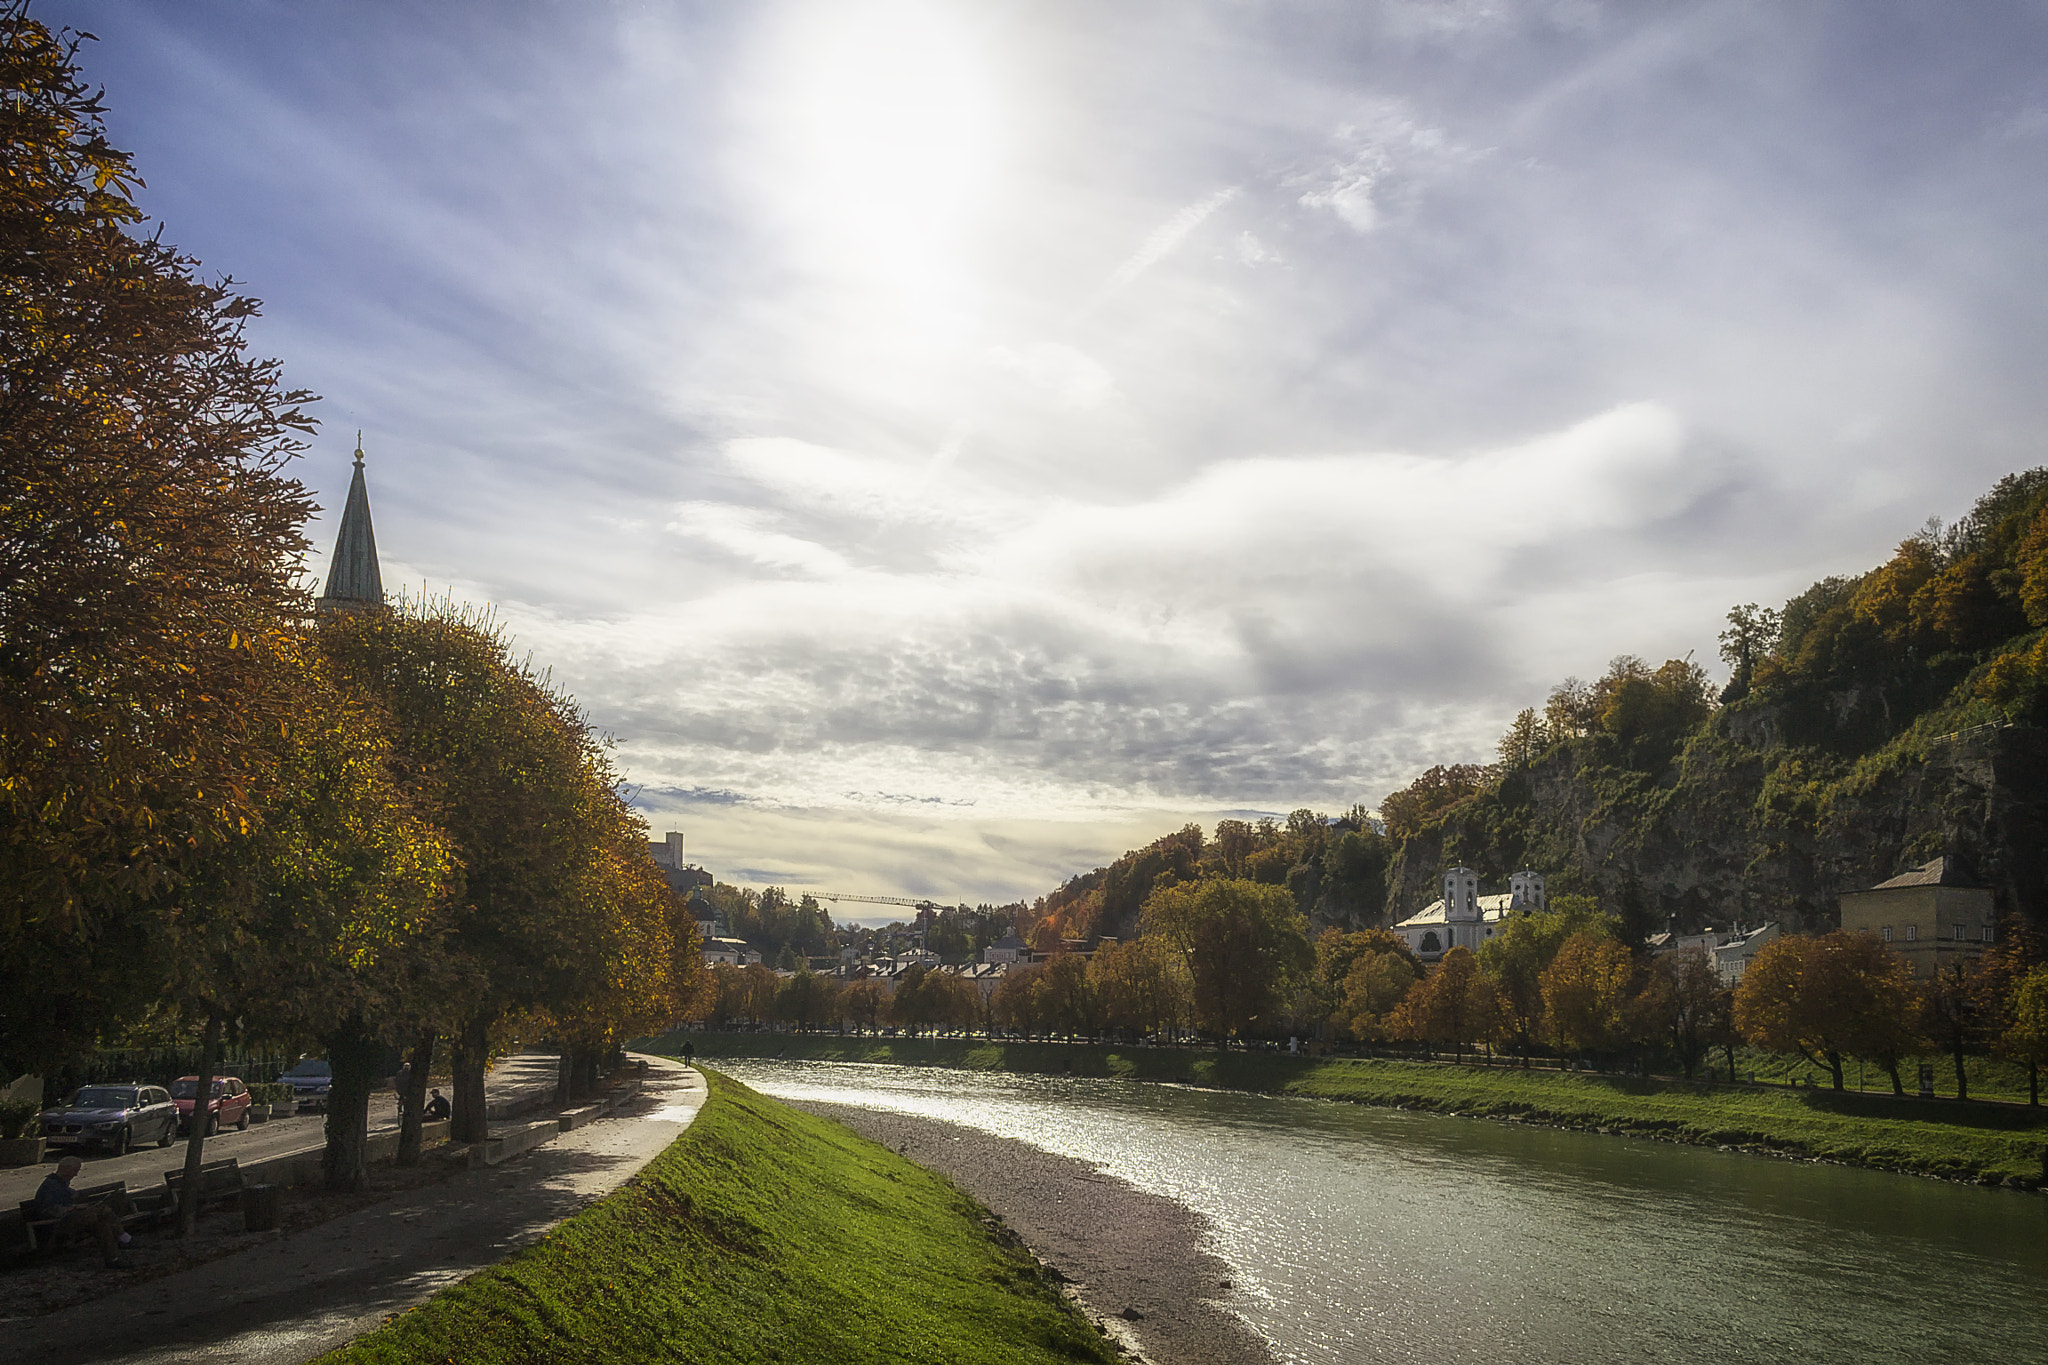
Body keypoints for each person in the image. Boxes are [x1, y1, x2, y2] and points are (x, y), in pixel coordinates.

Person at [35, 1156, 131, 1268]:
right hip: (58, 1224)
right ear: (65, 1168)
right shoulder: (51, 1185)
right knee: (100, 1210)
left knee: (101, 1226)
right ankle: (124, 1237)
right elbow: (48, 1209)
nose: (76, 1175)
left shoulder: (60, 1184)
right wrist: (72, 1208)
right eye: (75, 1170)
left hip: (70, 1220)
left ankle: (113, 1259)